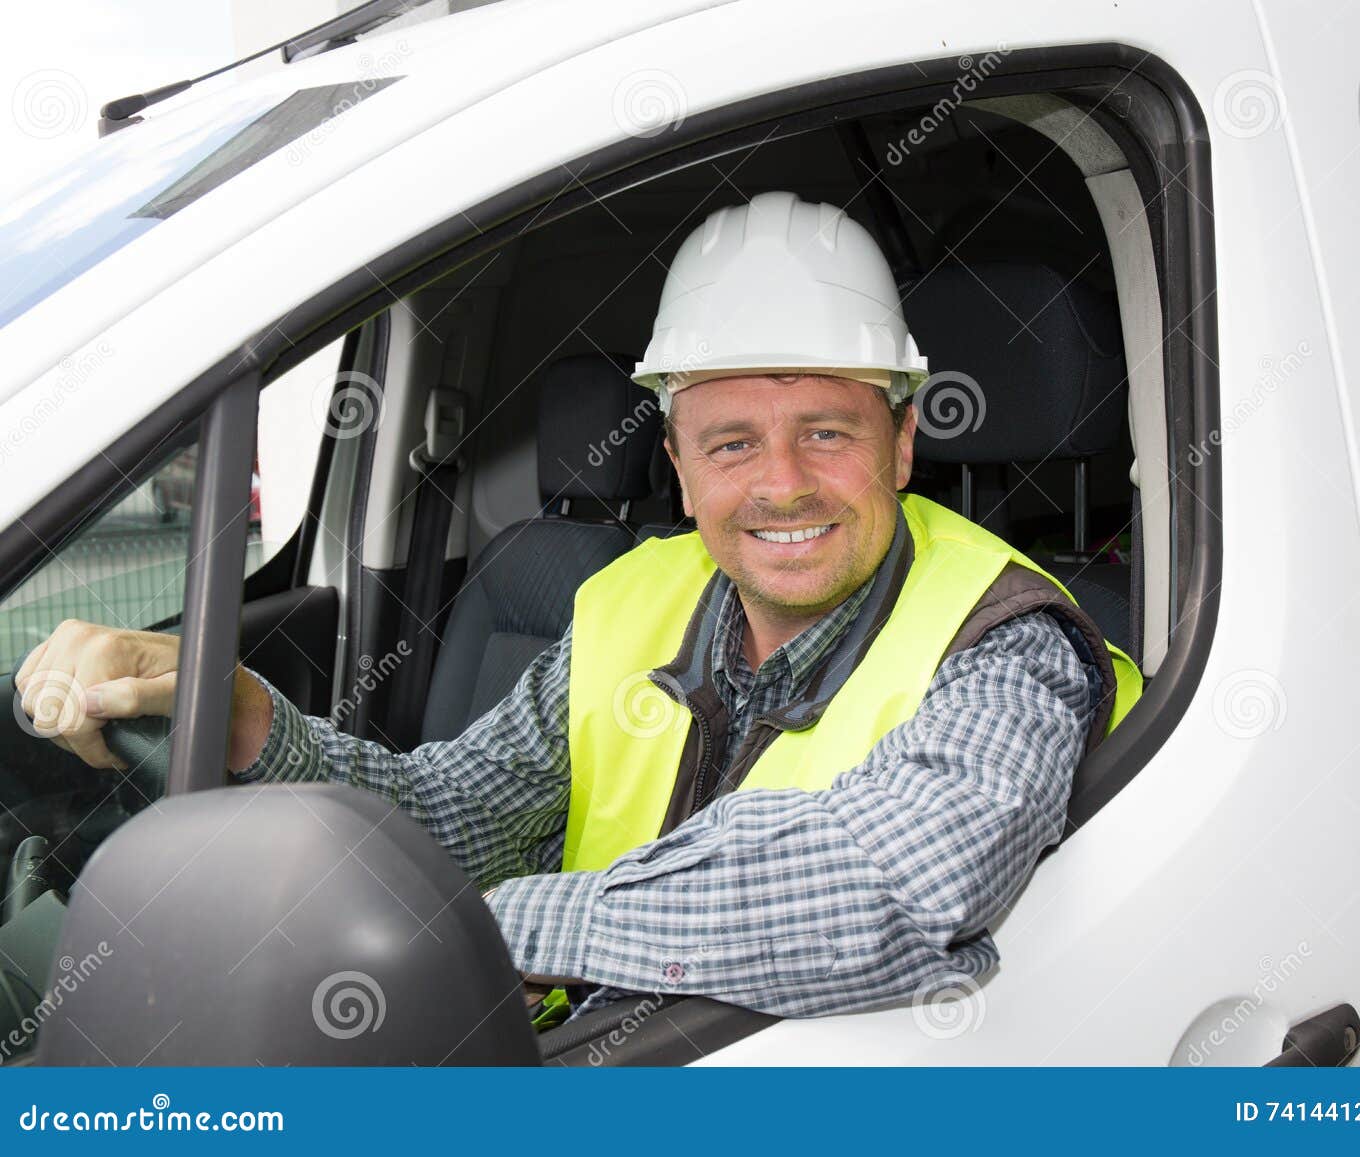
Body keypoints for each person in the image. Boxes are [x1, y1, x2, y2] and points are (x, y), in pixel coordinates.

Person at [17, 191, 1140, 1020]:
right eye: (733, 441)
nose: (783, 482)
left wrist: (470, 938)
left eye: (829, 432)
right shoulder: (631, 603)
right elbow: (450, 817)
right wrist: (246, 716)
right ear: (679, 463)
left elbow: (891, 885)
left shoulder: (1009, 641)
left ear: (902, 440)